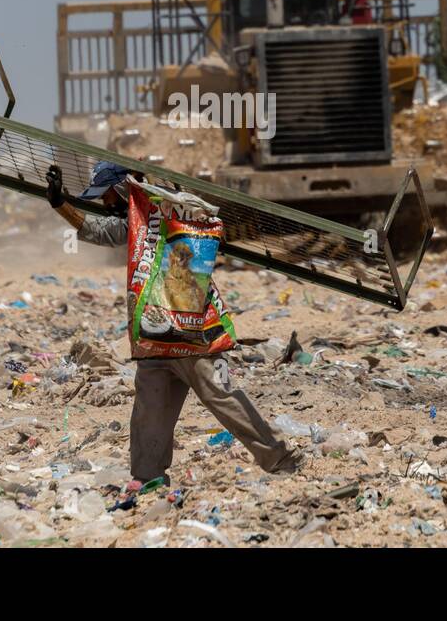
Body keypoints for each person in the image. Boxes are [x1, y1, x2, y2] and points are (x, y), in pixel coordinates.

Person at [46, 161, 301, 483]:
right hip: (154, 337)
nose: (105, 203)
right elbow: (97, 231)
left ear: (127, 187)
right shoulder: (134, 222)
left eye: (108, 194)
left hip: (190, 331)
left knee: (221, 397)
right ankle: (148, 479)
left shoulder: (173, 209)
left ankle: (281, 459)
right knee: (149, 412)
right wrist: (59, 203)